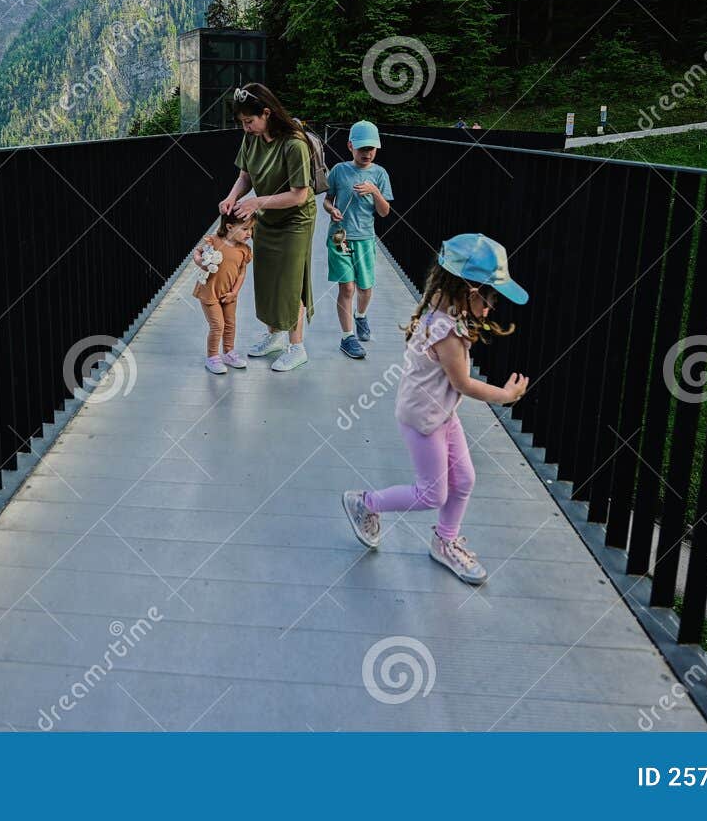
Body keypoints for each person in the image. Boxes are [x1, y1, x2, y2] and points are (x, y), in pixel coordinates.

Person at [340, 233, 530, 585]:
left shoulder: (445, 311)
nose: (491, 308)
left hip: (441, 413)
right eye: (490, 298)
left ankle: (445, 540)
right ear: (470, 291)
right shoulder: (446, 333)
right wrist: (505, 395)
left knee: (466, 480)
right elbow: (464, 384)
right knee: (432, 492)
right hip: (422, 419)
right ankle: (365, 503)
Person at [218, 83, 316, 372]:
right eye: (242, 123)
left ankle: (296, 346)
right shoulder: (252, 138)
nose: (246, 128)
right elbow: (245, 176)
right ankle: (274, 336)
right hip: (268, 218)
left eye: (250, 122)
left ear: (267, 113)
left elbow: (299, 194)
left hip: (295, 220)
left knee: (289, 281)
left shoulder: (294, 144)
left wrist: (257, 202)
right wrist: (232, 196)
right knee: (268, 278)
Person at [323, 120, 393, 360]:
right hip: (339, 236)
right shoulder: (339, 171)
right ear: (350, 146)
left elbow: (384, 212)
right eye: (362, 148)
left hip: (365, 238)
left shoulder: (380, 174)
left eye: (372, 148)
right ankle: (347, 337)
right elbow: (327, 200)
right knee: (348, 287)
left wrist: (374, 191)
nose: (367, 153)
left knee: (365, 287)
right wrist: (331, 210)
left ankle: (361, 316)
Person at [191, 210, 253, 374]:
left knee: (230, 324)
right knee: (218, 325)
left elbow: (241, 272)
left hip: (229, 294)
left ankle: (228, 352)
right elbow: (197, 252)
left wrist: (235, 292)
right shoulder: (214, 241)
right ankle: (212, 357)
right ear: (230, 227)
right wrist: (200, 262)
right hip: (209, 292)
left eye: (251, 229)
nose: (249, 234)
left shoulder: (244, 249)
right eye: (245, 229)